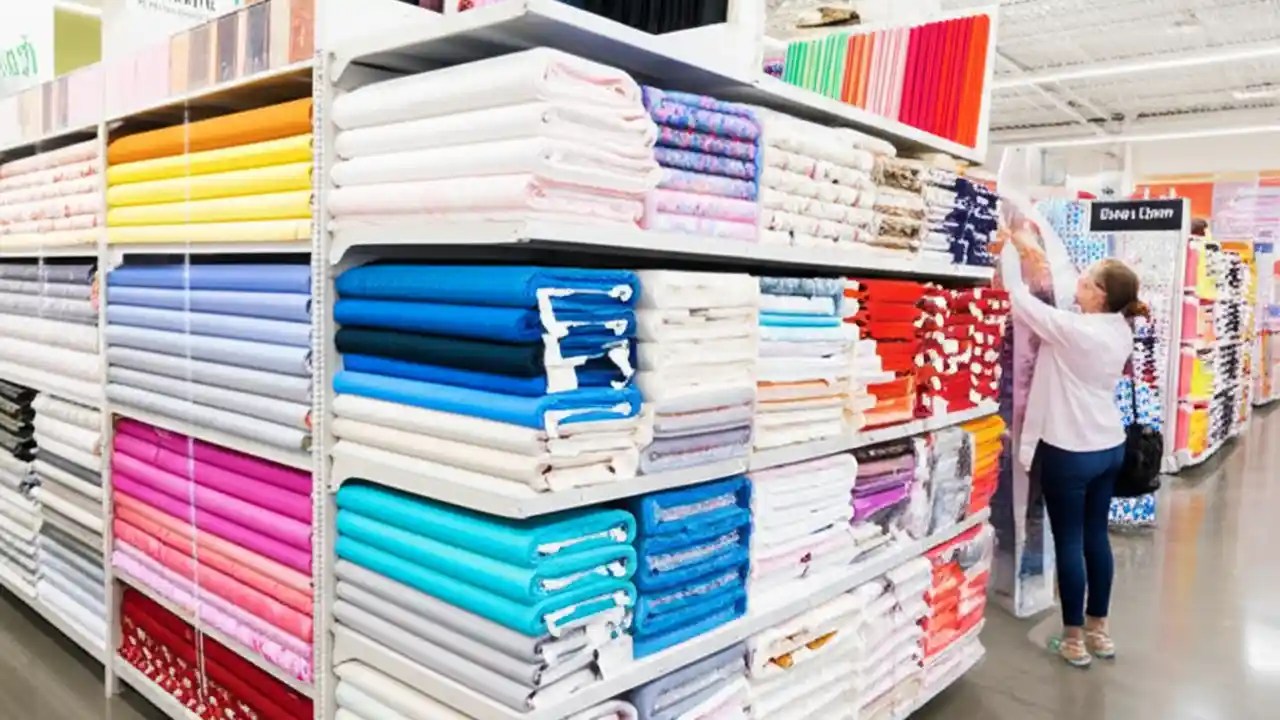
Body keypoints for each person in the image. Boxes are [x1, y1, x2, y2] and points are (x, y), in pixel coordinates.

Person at [998, 217, 1150, 669]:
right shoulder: (1118, 328)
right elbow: (1063, 294)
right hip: (1108, 446)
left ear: (1099, 295)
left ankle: (1072, 639)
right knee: (1094, 538)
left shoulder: (1073, 330)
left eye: (1085, 281)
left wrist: (1013, 251)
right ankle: (1099, 631)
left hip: (1070, 449)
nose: (1078, 282)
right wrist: (1036, 249)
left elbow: (1018, 299)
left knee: (1067, 539)